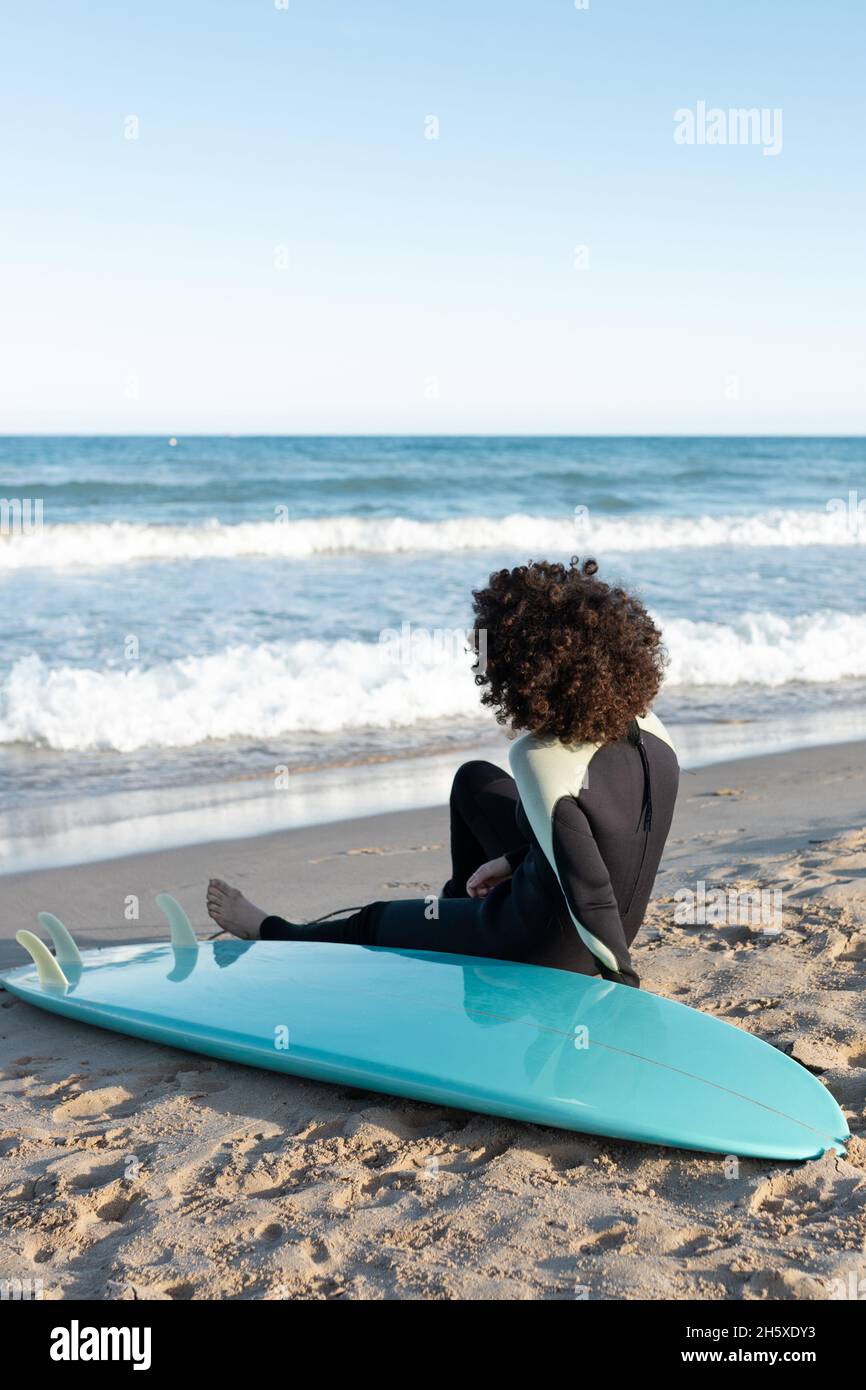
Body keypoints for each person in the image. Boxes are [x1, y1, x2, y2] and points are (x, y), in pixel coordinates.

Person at [206, 558, 679, 988]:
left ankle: (272, 931)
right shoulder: (651, 731)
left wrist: (623, 985)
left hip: (548, 946)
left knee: (374, 920)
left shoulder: (539, 758)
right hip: (602, 918)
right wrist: (513, 862)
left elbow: (591, 891)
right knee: (474, 781)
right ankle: (458, 919)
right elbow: (608, 839)